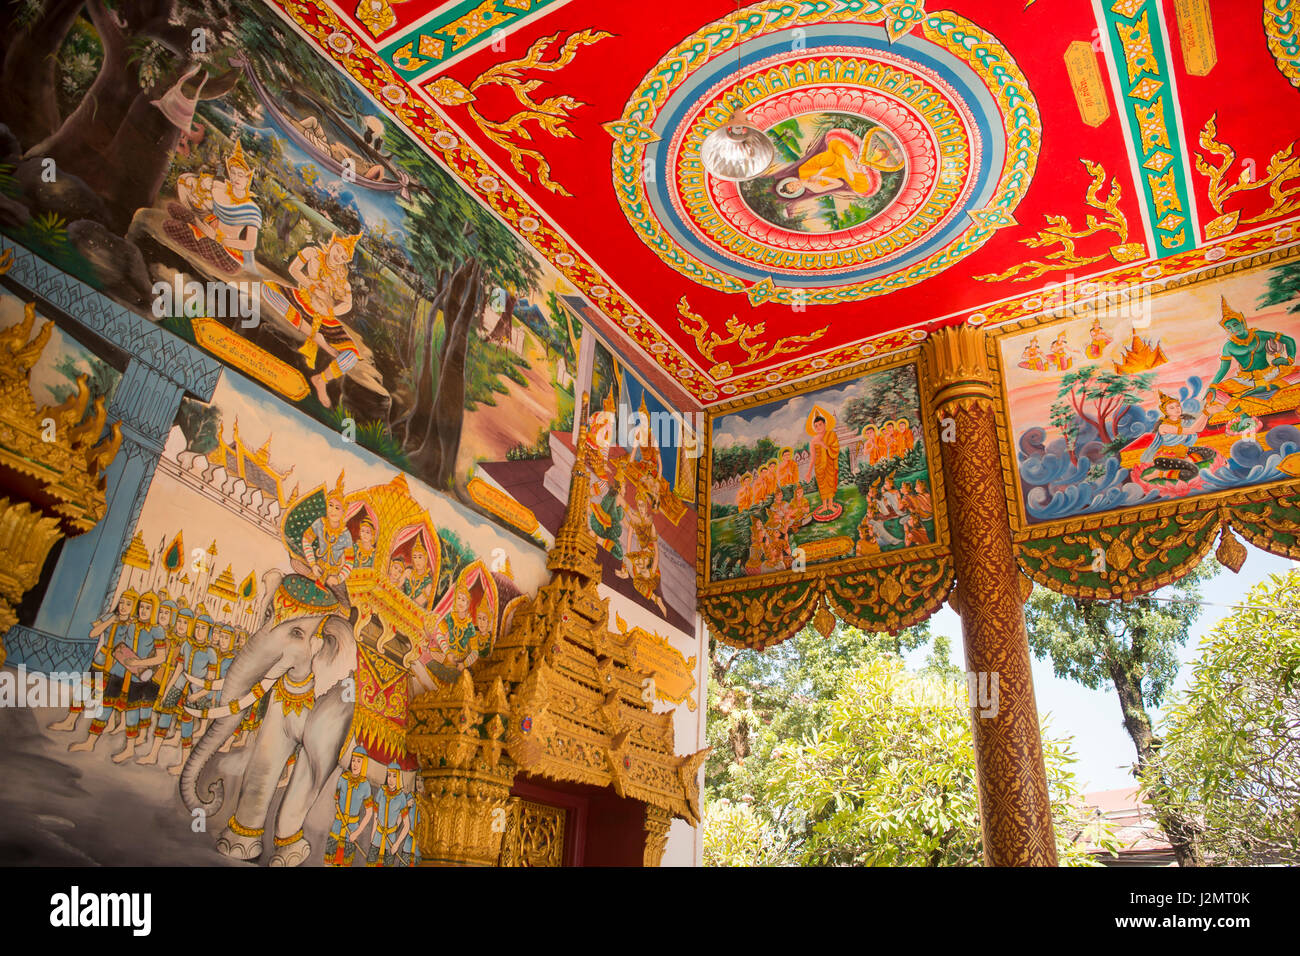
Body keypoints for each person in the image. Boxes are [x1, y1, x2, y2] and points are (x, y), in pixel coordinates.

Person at [262, 233, 363, 407]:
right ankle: (317, 339)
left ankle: (321, 380)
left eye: (344, 257)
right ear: (332, 244)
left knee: (351, 356)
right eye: (338, 250)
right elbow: (294, 269)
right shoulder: (313, 253)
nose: (339, 257)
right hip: (303, 299)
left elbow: (347, 304)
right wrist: (313, 287)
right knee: (267, 289)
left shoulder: (341, 280)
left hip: (323, 316)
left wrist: (331, 310)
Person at [70, 590, 165, 762]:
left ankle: (128, 749)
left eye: (147, 608)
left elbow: (161, 657)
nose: (143, 611)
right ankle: (90, 741)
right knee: (105, 705)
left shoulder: (157, 631)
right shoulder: (132, 624)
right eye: (141, 607)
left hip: (137, 676)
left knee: (131, 711)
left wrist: (139, 663)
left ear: (154, 611)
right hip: (119, 671)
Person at [165, 140, 262, 276]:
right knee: (172, 207)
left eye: (240, 175)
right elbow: (212, 213)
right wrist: (206, 223)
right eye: (233, 173)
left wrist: (221, 240)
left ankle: (194, 236)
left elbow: (250, 244)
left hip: (228, 253)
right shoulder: (222, 191)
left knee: (169, 226)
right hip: (209, 232)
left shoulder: (252, 208)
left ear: (248, 179)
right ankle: (195, 232)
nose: (236, 178)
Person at [1209, 298, 1297, 401]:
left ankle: (1266, 388)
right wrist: (1212, 385)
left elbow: (1288, 340)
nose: (1233, 329)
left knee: (1297, 374)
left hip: (1270, 374)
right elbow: (1224, 369)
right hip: (1246, 381)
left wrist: (1289, 359)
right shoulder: (1229, 346)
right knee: (1218, 393)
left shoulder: (1260, 335)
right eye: (1229, 328)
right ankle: (1250, 407)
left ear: (1242, 322)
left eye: (1235, 325)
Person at [302, 473, 354, 588]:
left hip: (333, 575)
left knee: (344, 603)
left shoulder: (345, 535)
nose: (333, 511)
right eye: (330, 505)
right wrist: (313, 564)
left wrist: (338, 578)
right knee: (295, 564)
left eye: (337, 508)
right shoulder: (320, 523)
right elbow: (306, 540)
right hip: (317, 568)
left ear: (343, 512)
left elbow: (350, 562)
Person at [325, 747, 372, 867]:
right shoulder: (342, 779)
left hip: (351, 830)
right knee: (329, 861)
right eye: (353, 760)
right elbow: (335, 799)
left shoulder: (365, 785)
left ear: (364, 763)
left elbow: (369, 813)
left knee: (345, 862)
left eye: (358, 761)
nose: (355, 764)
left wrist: (356, 833)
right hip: (337, 827)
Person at [365, 762, 409, 867]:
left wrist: (396, 844)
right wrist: (372, 834)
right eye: (389, 775)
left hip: (390, 842)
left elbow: (406, 825)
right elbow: (375, 816)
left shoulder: (401, 797)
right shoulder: (381, 791)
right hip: (377, 838)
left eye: (394, 776)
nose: (391, 779)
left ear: (398, 777)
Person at [803, 406, 842, 520]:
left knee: (830, 483)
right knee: (822, 486)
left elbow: (835, 449)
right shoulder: (813, 441)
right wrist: (809, 472)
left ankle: (830, 504)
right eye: (816, 426)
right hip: (819, 466)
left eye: (820, 424)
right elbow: (813, 457)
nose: (818, 427)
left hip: (830, 463)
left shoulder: (831, 435)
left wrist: (823, 444)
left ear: (824, 424)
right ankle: (824, 506)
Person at [401, 540, 435, 609]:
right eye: (414, 557)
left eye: (420, 557)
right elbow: (396, 587)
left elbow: (415, 605)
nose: (417, 560)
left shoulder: (429, 584)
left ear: (425, 558)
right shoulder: (408, 572)